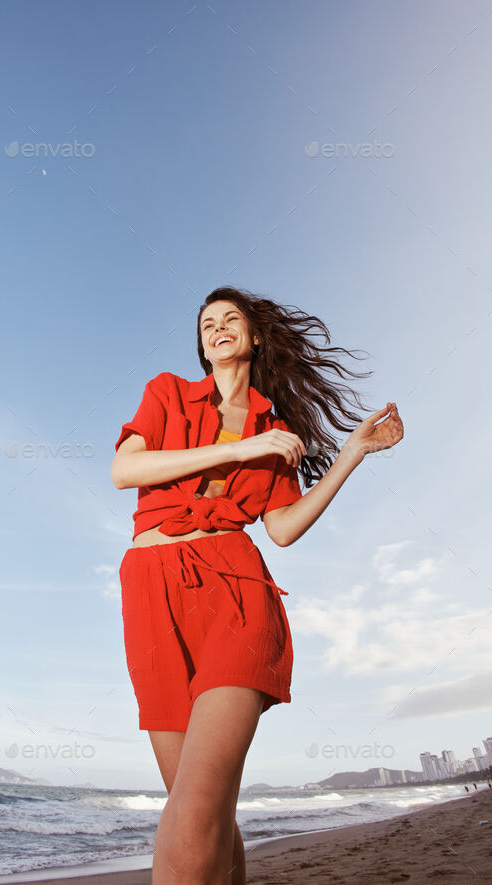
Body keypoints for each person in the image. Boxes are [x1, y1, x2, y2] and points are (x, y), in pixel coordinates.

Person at [111, 286, 404, 885]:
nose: (217, 328)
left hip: (234, 594)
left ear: (255, 336)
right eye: (207, 324)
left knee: (196, 814)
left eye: (230, 319)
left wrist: (352, 453)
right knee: (201, 808)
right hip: (150, 592)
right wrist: (247, 446)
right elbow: (125, 470)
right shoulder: (169, 392)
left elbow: (283, 529)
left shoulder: (276, 428)